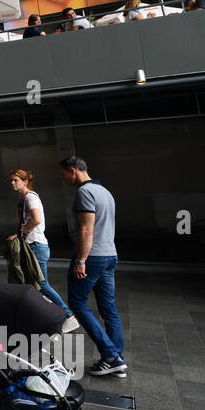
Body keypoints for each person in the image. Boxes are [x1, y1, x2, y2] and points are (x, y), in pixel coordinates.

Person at [59, 156, 126, 378]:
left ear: (72, 171)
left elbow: (87, 230)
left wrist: (81, 260)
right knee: (108, 307)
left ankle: (109, 355)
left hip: (93, 257)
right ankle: (117, 358)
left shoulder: (84, 193)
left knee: (78, 304)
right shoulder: (105, 191)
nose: (64, 179)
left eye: (64, 174)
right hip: (110, 254)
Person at [7, 169, 77, 319]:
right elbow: (23, 221)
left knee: (41, 284)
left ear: (25, 182)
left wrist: (23, 231)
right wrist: (18, 234)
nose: (12, 183)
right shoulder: (22, 198)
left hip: (36, 246)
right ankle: (40, 314)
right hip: (31, 246)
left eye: (15, 180)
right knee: (30, 284)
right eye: (11, 180)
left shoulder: (30, 198)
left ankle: (67, 315)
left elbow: (37, 219)